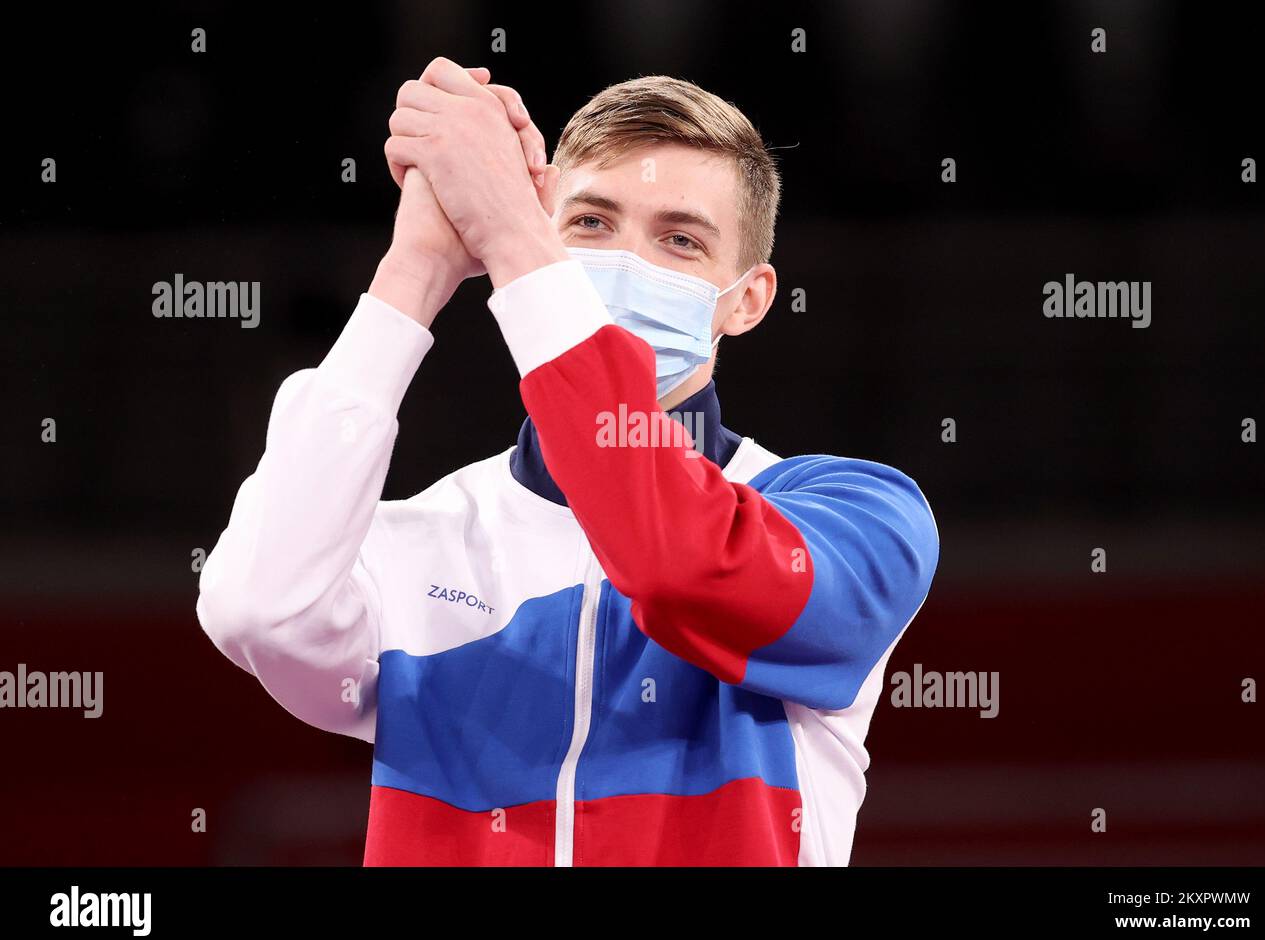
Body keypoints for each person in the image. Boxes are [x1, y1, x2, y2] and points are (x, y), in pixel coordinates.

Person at [196, 57, 940, 866]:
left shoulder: (858, 517)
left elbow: (679, 567)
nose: (625, 265)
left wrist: (513, 232)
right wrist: (418, 268)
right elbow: (255, 611)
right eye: (589, 224)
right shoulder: (423, 542)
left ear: (748, 299)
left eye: (680, 240)